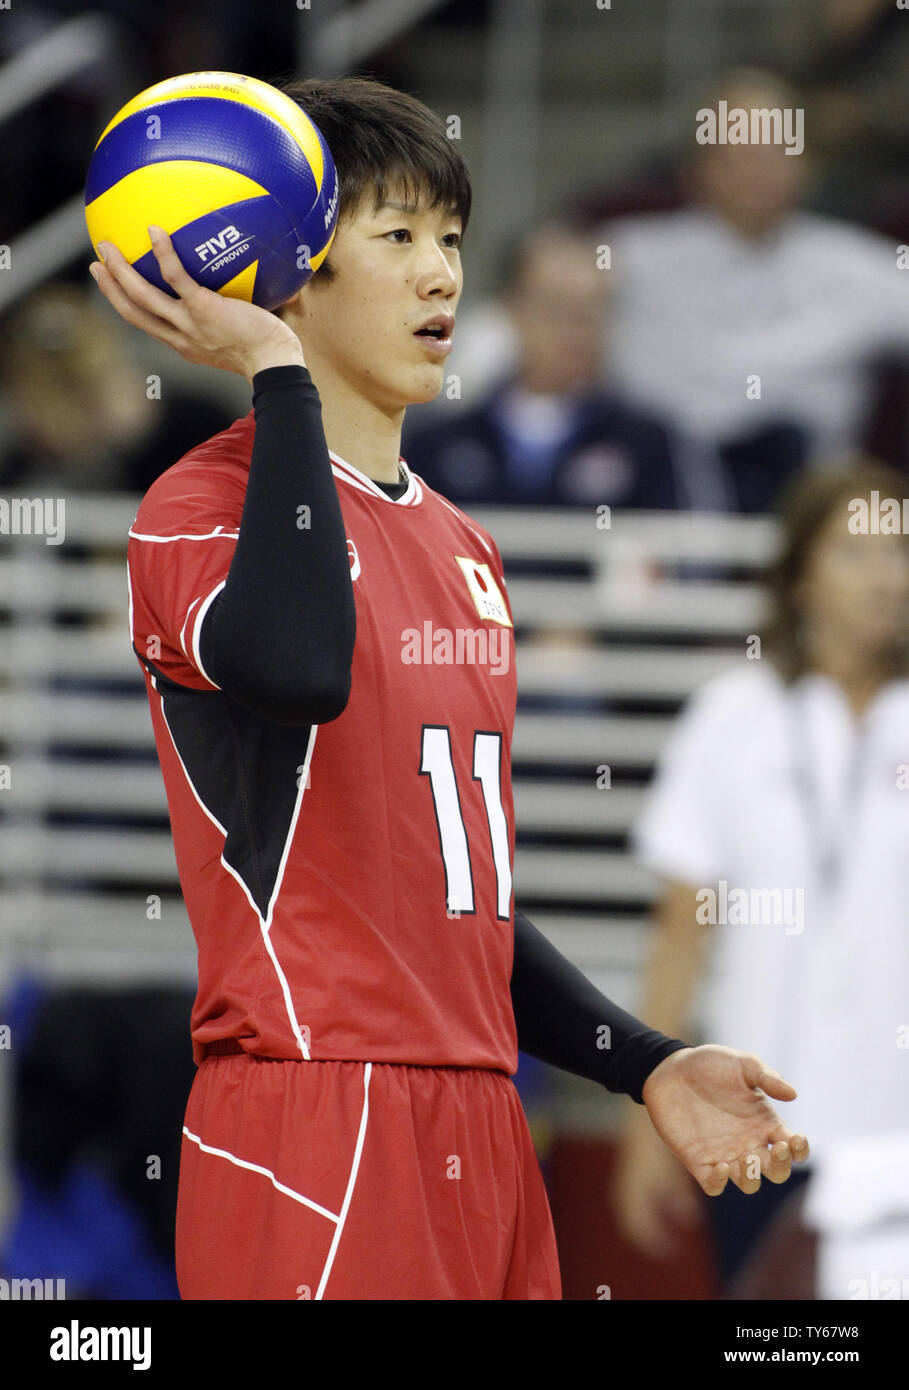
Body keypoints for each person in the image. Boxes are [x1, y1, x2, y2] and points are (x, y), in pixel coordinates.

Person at [89, 74, 808, 1301]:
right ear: (293, 262)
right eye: (399, 236)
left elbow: (451, 911)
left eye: (454, 239)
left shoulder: (467, 549)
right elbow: (301, 665)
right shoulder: (195, 506)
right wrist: (273, 369)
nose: (442, 278)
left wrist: (644, 1062)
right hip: (314, 1116)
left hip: (479, 1116)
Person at [617, 459, 909, 1297]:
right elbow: (679, 931)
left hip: (895, 1133)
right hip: (759, 1129)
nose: (884, 578)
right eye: (855, 553)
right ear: (801, 575)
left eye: (898, 554)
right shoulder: (732, 718)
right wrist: (648, 1123)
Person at [402, 221, 728, 512]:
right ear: (512, 310)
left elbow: (693, 562)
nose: (576, 330)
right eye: (557, 309)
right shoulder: (436, 442)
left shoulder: (655, 445)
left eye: (592, 311)